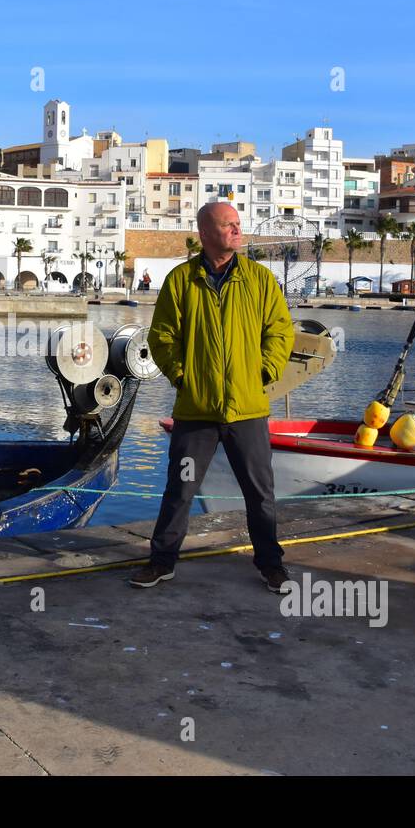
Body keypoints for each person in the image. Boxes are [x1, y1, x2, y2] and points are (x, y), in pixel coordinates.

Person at [133, 202, 295, 593]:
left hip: (247, 410)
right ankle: (161, 561)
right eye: (229, 225)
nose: (237, 231)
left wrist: (264, 372)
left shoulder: (259, 280)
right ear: (205, 233)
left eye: (239, 224)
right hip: (196, 410)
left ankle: (271, 565)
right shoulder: (180, 280)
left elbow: (281, 332)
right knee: (181, 489)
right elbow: (162, 337)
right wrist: (183, 377)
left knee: (260, 493)